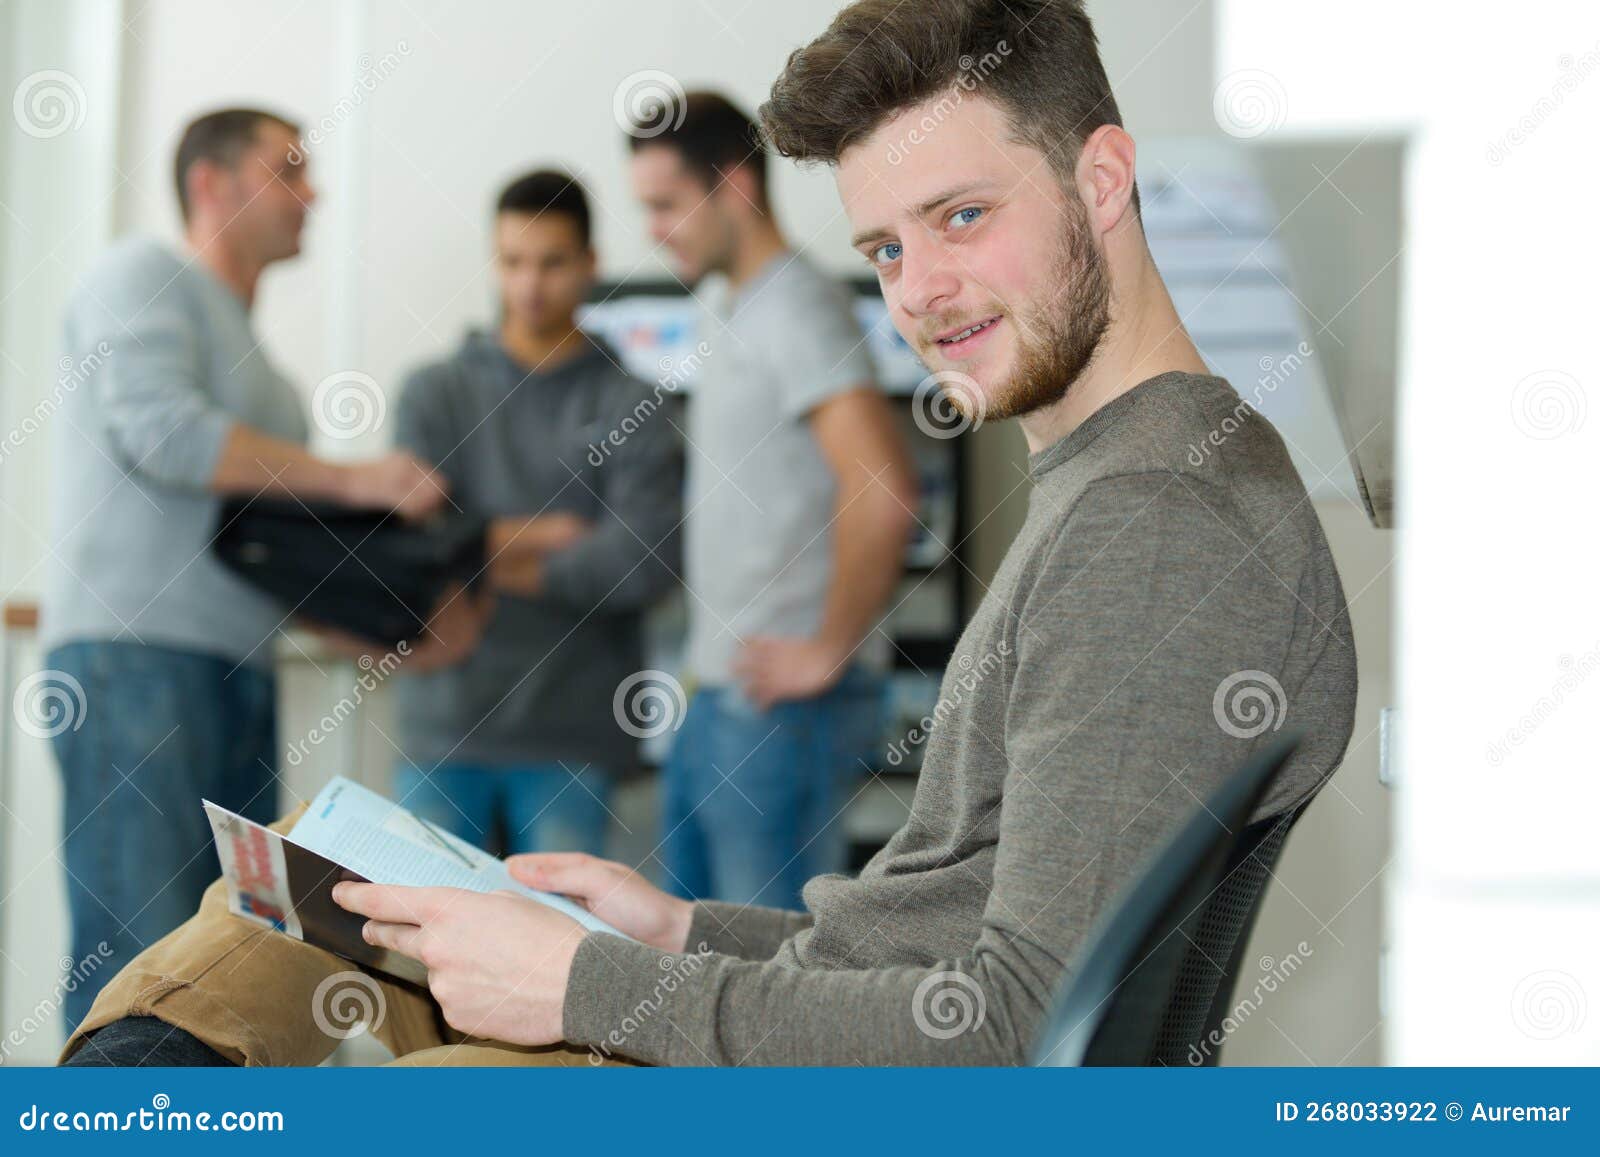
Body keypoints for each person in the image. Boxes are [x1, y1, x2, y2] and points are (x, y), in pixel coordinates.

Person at [61, 0, 1357, 1068]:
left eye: (964, 216)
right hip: (803, 1037)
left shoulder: (1152, 524)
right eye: (887, 248)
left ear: (1104, 178)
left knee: (314, 1020)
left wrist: (596, 989)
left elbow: (1013, 1029)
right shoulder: (1123, 483)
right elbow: (940, 952)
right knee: (280, 925)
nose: (923, 292)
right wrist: (676, 932)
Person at [38, 107, 461, 1030]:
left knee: (222, 963)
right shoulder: (141, 274)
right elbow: (162, 433)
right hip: (130, 663)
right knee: (138, 956)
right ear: (211, 182)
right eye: (290, 169)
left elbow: (258, 556)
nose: (313, 192)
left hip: (233, 673)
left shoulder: (267, 377)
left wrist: (380, 635)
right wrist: (358, 478)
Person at [628, 91, 919, 909]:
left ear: (735, 186)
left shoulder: (795, 306)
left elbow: (884, 485)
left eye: (665, 205)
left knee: (769, 989)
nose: (653, 228)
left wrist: (827, 647)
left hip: (782, 712)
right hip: (720, 696)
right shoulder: (731, 306)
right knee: (689, 969)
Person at [384, 169, 680, 856]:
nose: (529, 285)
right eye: (512, 261)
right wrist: (546, 538)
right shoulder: (434, 392)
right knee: (416, 949)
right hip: (443, 725)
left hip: (572, 733)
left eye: (552, 262)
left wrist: (470, 553)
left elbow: (640, 564)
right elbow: (407, 552)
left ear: (590, 264)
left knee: (555, 950)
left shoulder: (634, 403)